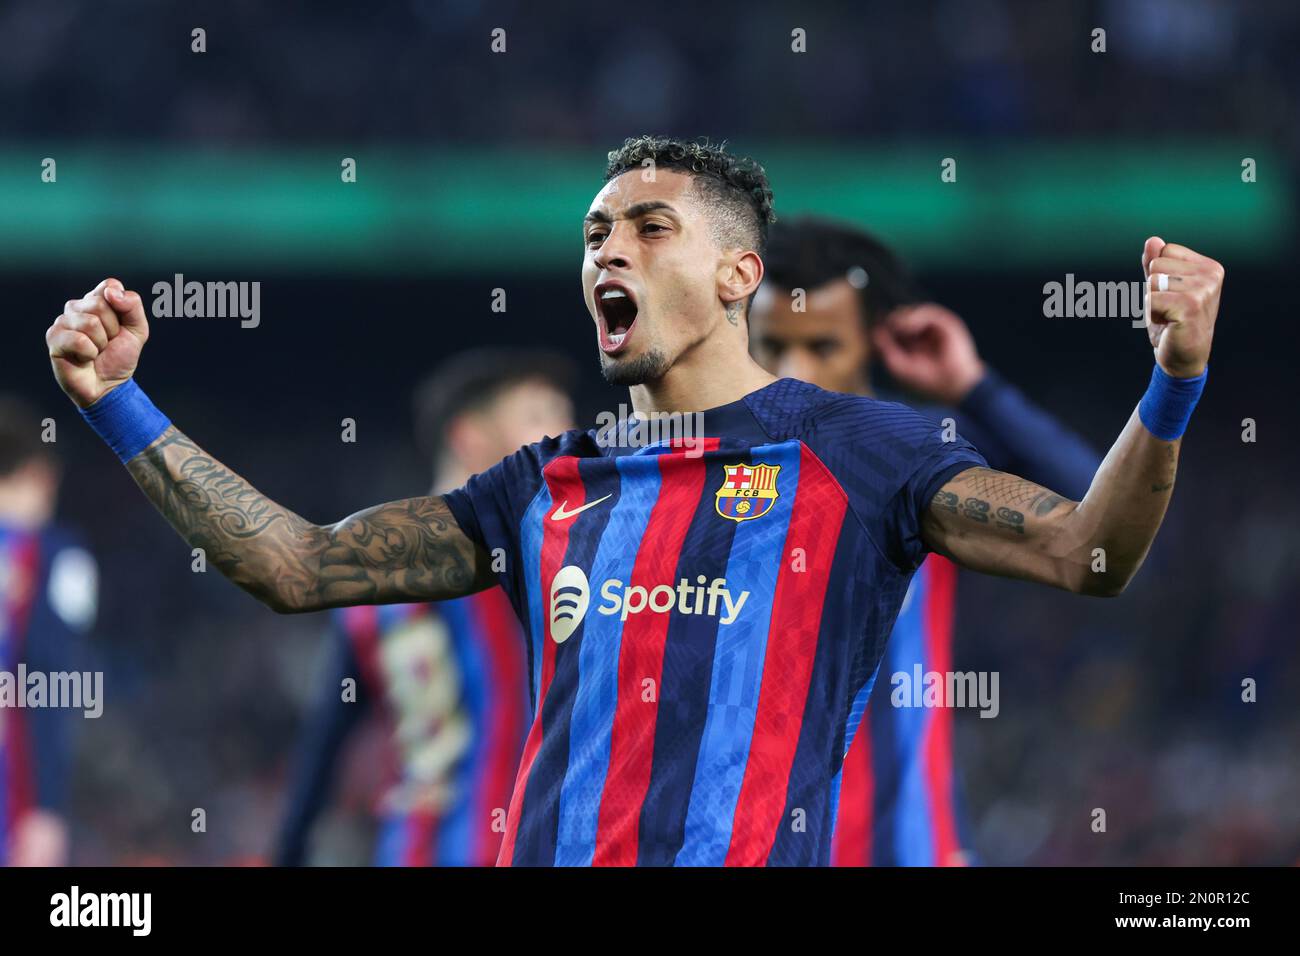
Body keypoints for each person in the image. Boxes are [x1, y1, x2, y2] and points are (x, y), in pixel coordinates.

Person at [44, 135, 1222, 866]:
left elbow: (1089, 555)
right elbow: (297, 564)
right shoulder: (547, 480)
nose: (606, 251)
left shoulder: (868, 453)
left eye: (648, 228)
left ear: (736, 274)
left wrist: (1173, 380)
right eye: (595, 232)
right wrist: (118, 402)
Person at [751, 218, 1101, 865]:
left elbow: (1098, 534)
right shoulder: (698, 470)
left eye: (822, 345)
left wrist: (974, 387)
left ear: (875, 342)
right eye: (771, 345)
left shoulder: (923, 462)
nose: (792, 374)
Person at [275, 351, 574, 866]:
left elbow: (322, 748)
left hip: (411, 848)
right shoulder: (534, 553)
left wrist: (288, 851)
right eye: (538, 418)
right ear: (469, 438)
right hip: (514, 849)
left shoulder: (367, 590)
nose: (564, 437)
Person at [0, 397, 98, 866]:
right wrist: (47, 808)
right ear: (38, 475)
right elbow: (51, 682)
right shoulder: (52, 556)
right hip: (12, 796)